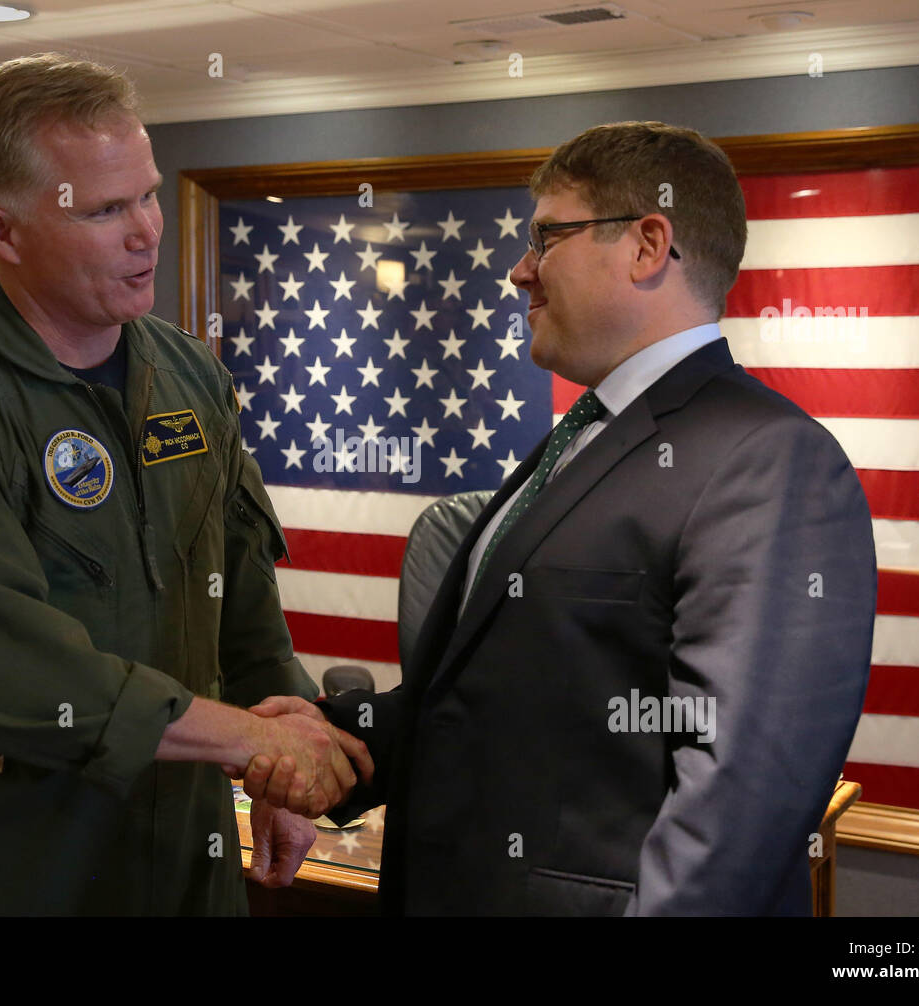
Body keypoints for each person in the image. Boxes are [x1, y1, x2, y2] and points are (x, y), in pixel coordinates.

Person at [241, 121, 877, 915]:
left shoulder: (768, 460)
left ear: (648, 246)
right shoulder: (586, 438)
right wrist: (338, 739)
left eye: (547, 237)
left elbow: (740, 801)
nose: (520, 270)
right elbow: (500, 698)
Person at [0, 53, 370, 915]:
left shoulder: (188, 373)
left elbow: (241, 593)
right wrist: (247, 740)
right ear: (3, 231)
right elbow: (6, 670)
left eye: (147, 194)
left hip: (190, 857)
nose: (147, 231)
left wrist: (282, 747)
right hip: (25, 862)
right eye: (103, 210)